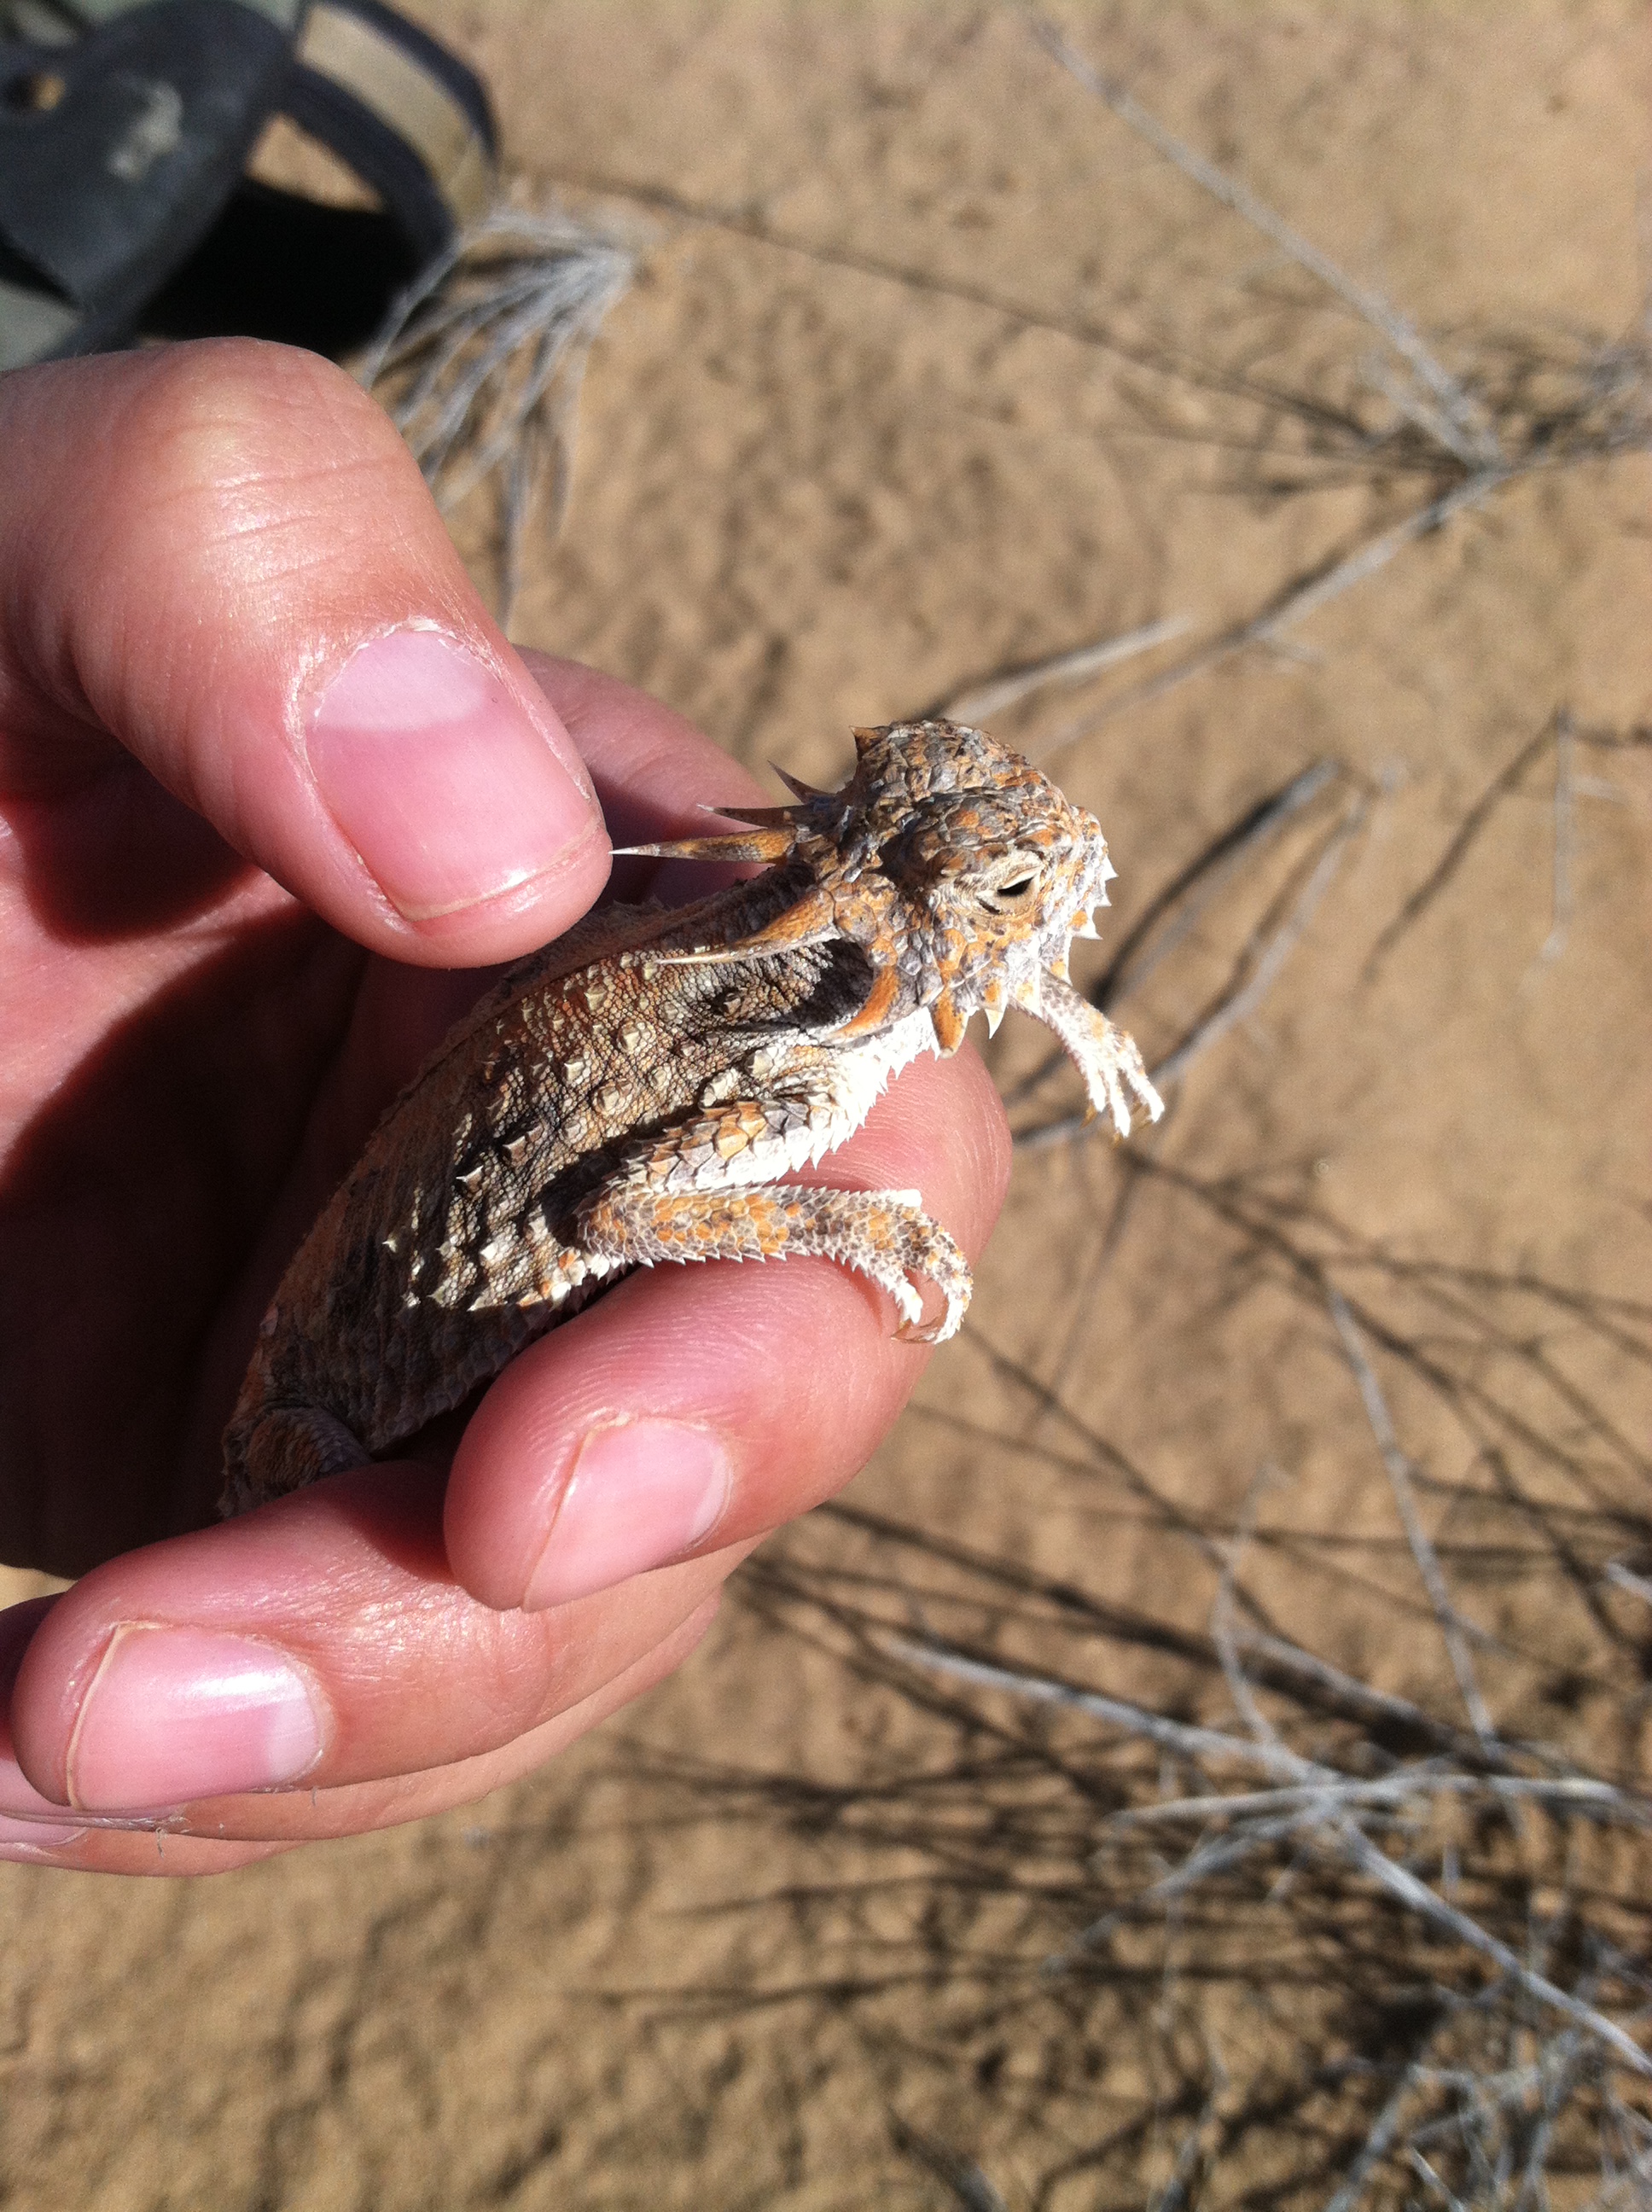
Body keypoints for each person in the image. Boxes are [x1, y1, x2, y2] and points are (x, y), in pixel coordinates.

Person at [0, 339, 1008, 1875]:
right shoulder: (779, 1037)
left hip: (334, 1335)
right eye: (1002, 881)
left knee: (517, 1535)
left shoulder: (791, 1000)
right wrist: (836, 1221)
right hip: (329, 1416)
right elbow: (621, 1206)